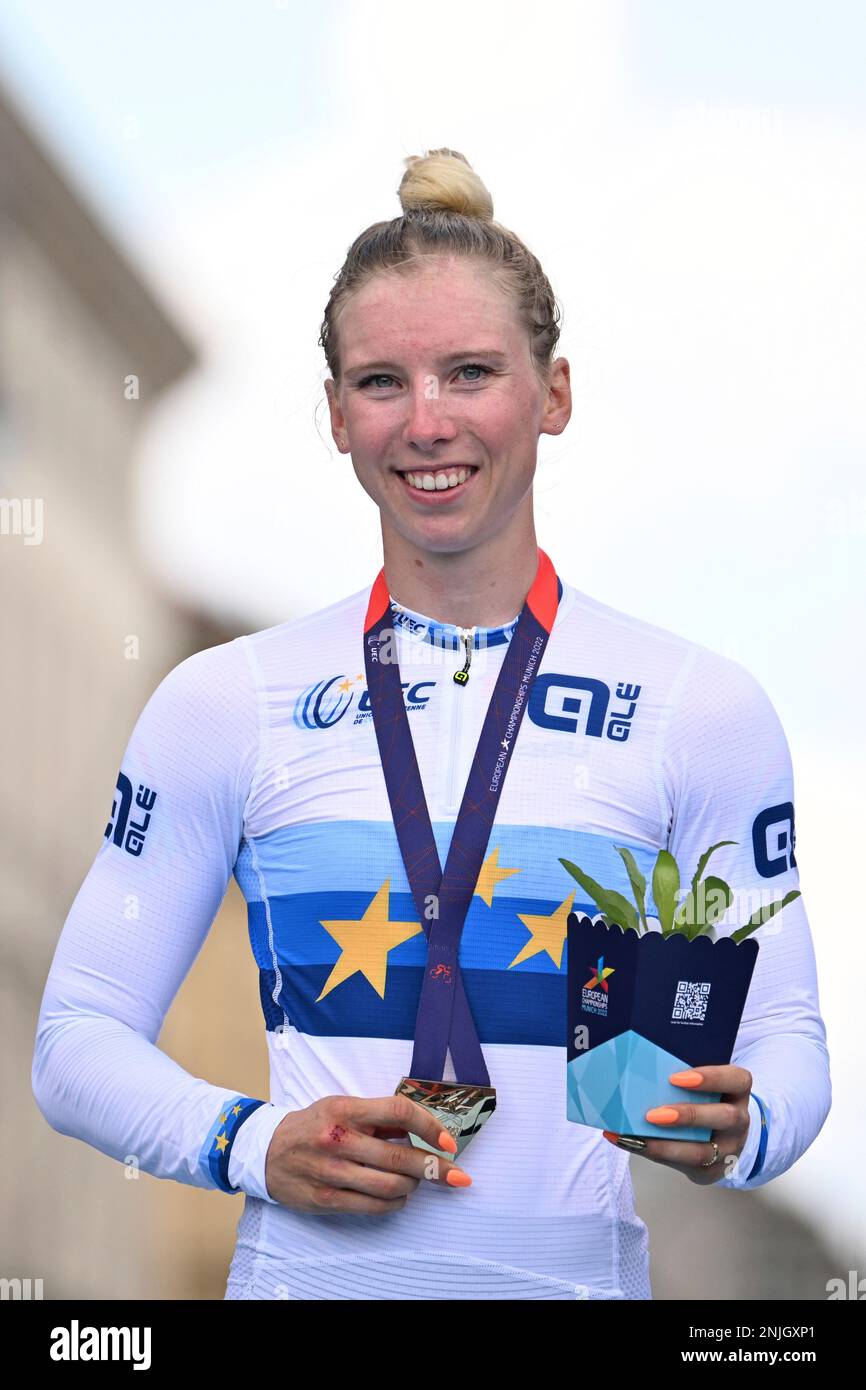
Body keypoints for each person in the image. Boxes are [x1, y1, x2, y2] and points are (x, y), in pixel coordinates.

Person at [32, 148, 831, 1301]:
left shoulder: (695, 708)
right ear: (333, 414)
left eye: (468, 373)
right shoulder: (225, 701)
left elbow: (788, 1043)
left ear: (552, 393)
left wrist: (734, 1132)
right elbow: (75, 1042)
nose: (425, 423)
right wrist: (251, 1143)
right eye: (379, 383)